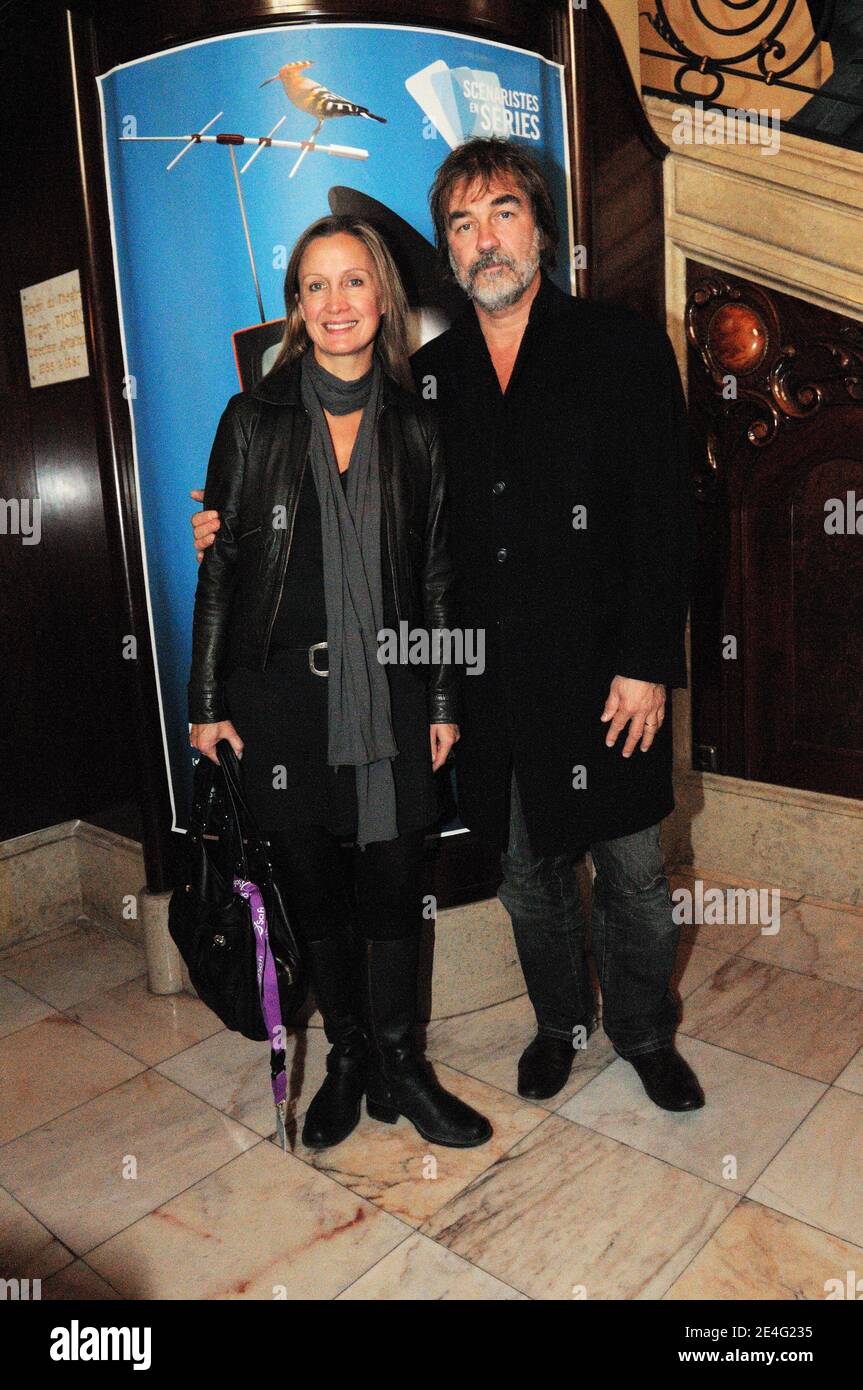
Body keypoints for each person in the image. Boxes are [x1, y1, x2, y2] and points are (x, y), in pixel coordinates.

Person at [192, 139, 704, 1114]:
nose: (483, 239)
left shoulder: (619, 344)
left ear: (541, 229)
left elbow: (665, 518)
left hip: (607, 681)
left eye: (502, 213)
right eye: (462, 224)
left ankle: (641, 1030)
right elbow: (407, 553)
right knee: (526, 875)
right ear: (445, 250)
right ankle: (558, 1024)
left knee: (633, 871)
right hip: (489, 684)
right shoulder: (426, 379)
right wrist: (232, 524)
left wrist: (645, 662)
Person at [188, 213, 492, 1152]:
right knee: (315, 891)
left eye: (353, 281)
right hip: (279, 700)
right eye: (314, 286)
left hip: (394, 691)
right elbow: (221, 572)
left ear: (382, 298)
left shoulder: (418, 426)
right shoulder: (253, 418)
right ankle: (351, 1057)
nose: (335, 303)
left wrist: (443, 698)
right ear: (296, 308)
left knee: (396, 882)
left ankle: (403, 1064)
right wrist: (204, 706)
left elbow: (439, 576)